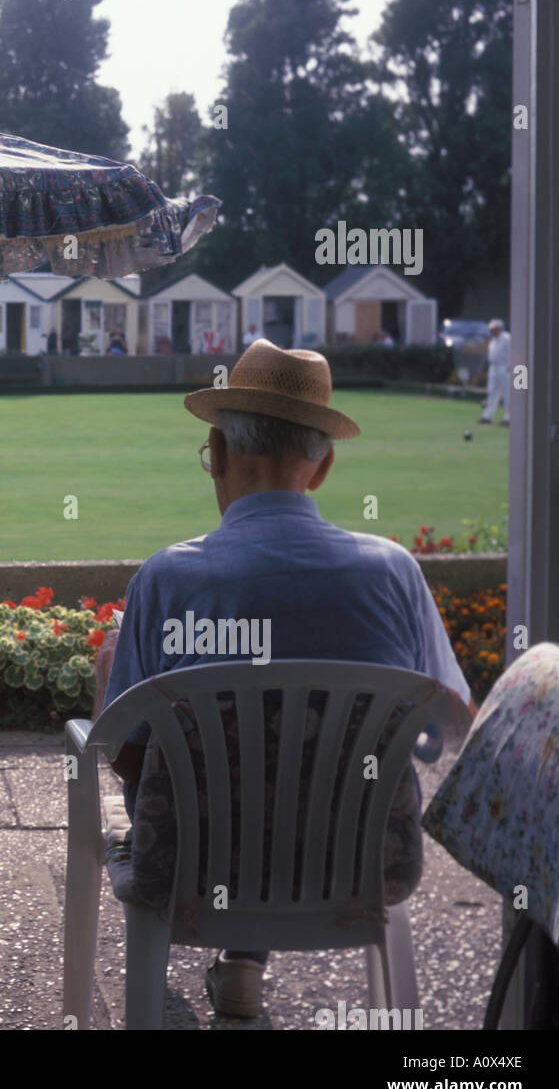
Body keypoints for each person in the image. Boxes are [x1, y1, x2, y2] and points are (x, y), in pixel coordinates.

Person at [92, 339, 474, 1019]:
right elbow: (443, 729)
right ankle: (244, 961)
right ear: (321, 465)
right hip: (359, 865)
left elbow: (128, 755)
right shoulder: (394, 574)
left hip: (192, 865)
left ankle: (240, 952)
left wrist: (107, 683)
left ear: (216, 451)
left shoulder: (168, 577)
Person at [479, 318, 511, 426]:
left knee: (507, 394)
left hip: (504, 368)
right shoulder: (493, 340)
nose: (492, 331)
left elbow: (511, 353)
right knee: (492, 393)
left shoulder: (507, 338)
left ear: (499, 328)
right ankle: (487, 416)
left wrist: (509, 367)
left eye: (494, 329)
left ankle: (509, 417)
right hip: (493, 368)